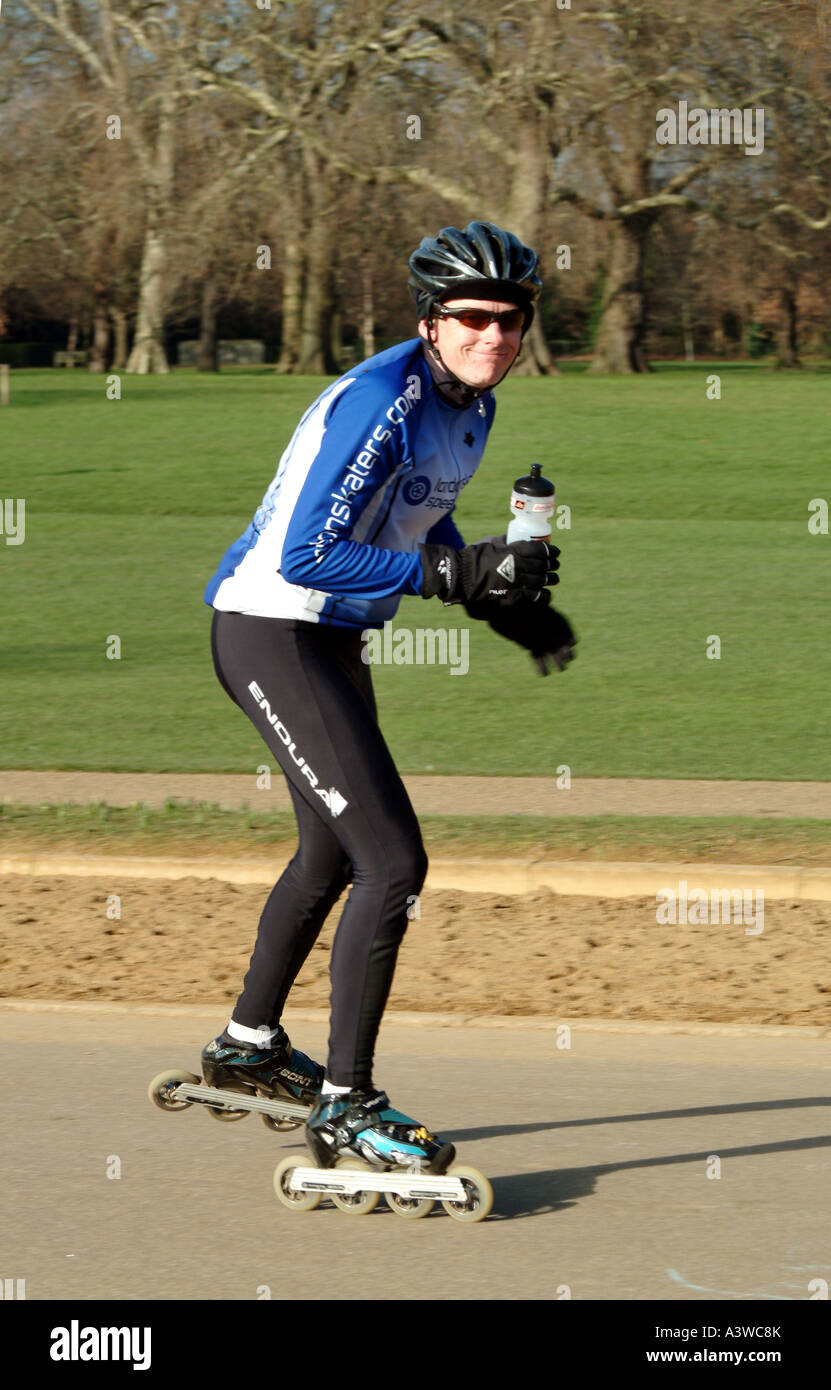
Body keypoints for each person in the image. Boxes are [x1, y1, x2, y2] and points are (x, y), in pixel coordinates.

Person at [200, 221, 576, 1175]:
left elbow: (422, 512)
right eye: (473, 319)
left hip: (329, 637)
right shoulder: (379, 400)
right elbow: (306, 555)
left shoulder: (472, 405)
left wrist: (499, 601)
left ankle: (247, 1043)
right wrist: (454, 579)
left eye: (512, 320)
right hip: (272, 630)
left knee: (333, 850)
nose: (494, 337)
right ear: (429, 322)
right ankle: (348, 1103)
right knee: (393, 862)